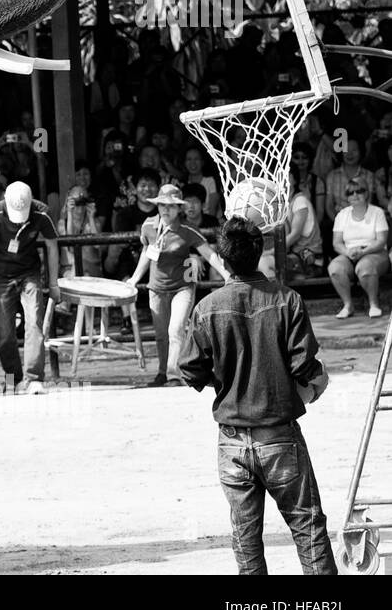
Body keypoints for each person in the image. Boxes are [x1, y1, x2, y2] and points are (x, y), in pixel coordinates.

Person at [179, 217, 337, 575]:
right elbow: (304, 365)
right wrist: (319, 381)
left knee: (245, 537)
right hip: (279, 435)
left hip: (232, 440)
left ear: (223, 258)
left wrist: (227, 381)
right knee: (308, 527)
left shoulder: (207, 307)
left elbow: (189, 370)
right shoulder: (287, 300)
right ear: (260, 251)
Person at [127, 185, 227, 386]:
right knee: (161, 335)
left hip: (183, 287)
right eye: (162, 205)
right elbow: (147, 252)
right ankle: (162, 372)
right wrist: (134, 279)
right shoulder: (148, 225)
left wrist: (227, 275)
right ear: (157, 206)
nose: (166, 209)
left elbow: (209, 255)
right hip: (156, 288)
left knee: (175, 330)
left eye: (171, 206)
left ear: (179, 208)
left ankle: (173, 375)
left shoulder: (187, 230)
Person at [0, 181, 60, 393]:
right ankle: (13, 379)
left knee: (34, 323)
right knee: (4, 333)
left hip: (30, 273)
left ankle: (34, 378)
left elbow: (52, 245)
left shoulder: (41, 213)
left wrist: (53, 283)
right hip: (2, 276)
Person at [327, 178, 389, 318]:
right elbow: (337, 243)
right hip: (350, 253)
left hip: (374, 252)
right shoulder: (342, 215)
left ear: (366, 193)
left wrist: (363, 252)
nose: (354, 195)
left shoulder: (377, 212)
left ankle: (374, 304)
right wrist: (348, 252)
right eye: (350, 192)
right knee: (335, 268)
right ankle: (348, 305)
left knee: (365, 268)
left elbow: (381, 241)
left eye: (359, 191)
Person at [281, 166, 324, 279]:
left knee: (275, 264)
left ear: (295, 180)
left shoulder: (300, 201)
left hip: (309, 257)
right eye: (279, 175)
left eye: (286, 175)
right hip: (297, 254)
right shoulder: (286, 203)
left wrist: (274, 250)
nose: (282, 178)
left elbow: (295, 235)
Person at [57, 185, 103, 279]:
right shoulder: (62, 224)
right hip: (68, 269)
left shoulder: (95, 222)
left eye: (83, 203)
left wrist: (91, 218)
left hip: (91, 268)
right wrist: (69, 213)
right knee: (75, 272)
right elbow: (70, 247)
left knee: (85, 274)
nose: (80, 208)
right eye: (76, 203)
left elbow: (97, 245)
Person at [323, 144, 375, 223]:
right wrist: (339, 224)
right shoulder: (332, 175)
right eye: (346, 150)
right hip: (339, 221)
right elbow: (329, 206)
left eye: (354, 150)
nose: (350, 154)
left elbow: (369, 202)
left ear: (361, 152)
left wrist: (359, 224)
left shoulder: (369, 175)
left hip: (363, 222)